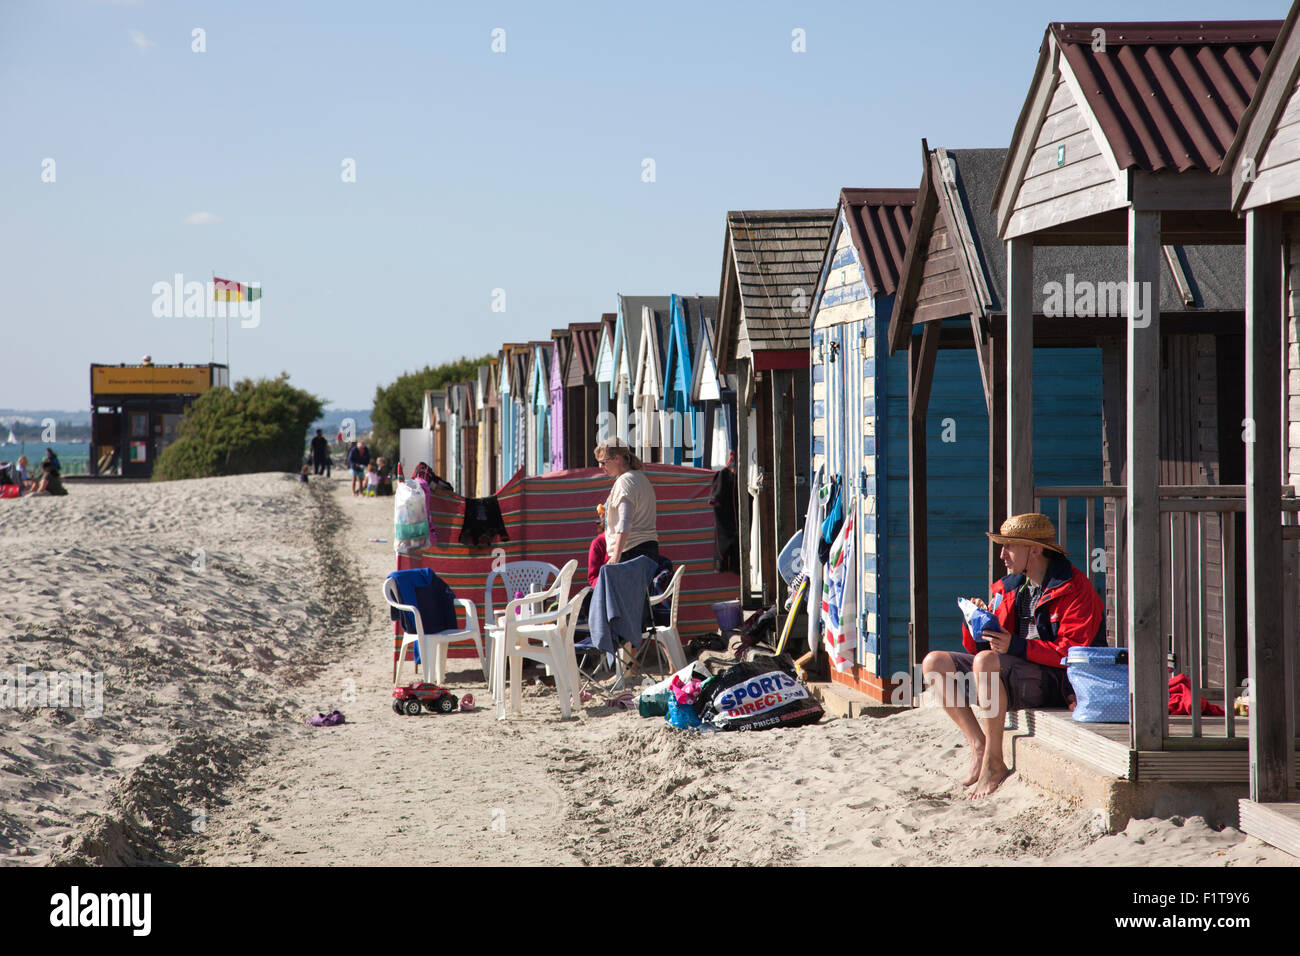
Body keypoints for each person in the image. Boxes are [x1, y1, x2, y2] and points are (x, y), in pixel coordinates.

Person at [921, 513, 1104, 797]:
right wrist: (977, 623)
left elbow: (1072, 653)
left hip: (1059, 683)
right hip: (1013, 674)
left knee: (985, 663)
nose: (1002, 555)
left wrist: (1014, 646)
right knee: (934, 663)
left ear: (1034, 549)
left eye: (1009, 546)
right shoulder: (1009, 587)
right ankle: (978, 746)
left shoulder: (1075, 588)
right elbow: (980, 651)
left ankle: (995, 762)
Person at [595, 437, 658, 564]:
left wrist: (615, 557)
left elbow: (625, 522)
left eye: (604, 462)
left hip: (631, 553)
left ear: (617, 458)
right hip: (648, 550)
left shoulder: (624, 482)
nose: (601, 467)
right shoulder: (641, 478)